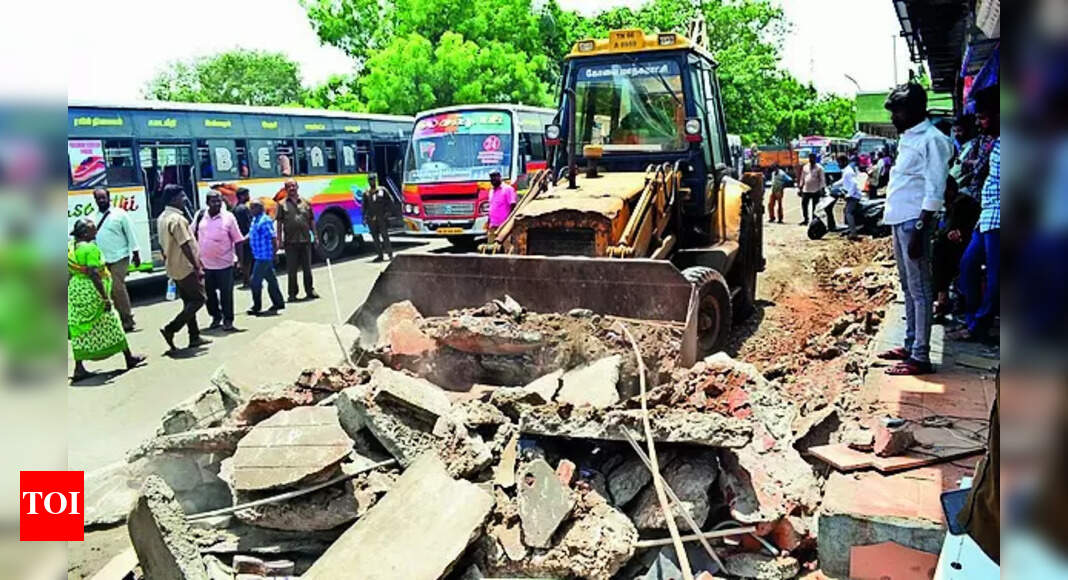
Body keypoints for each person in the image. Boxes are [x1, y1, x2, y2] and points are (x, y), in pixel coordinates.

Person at [877, 83, 954, 375]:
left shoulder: (932, 140)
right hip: (900, 220)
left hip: (915, 222)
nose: (893, 117)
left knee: (921, 289)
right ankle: (910, 344)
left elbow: (935, 187)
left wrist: (922, 229)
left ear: (915, 110)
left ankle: (921, 355)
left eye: (897, 111)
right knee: (908, 287)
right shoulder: (909, 138)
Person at [68, 218, 146, 382]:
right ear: (85, 233)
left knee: (80, 330)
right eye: (93, 228)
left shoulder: (70, 247)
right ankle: (129, 358)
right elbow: (94, 274)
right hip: (92, 292)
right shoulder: (90, 249)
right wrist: (105, 298)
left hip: (76, 291)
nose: (96, 231)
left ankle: (79, 368)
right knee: (113, 322)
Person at [951, 87, 1000, 342]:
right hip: (987, 215)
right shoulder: (996, 143)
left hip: (1001, 220)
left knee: (995, 277)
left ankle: (979, 325)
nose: (979, 124)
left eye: (983, 117)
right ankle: (973, 319)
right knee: (968, 265)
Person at [157, 184, 210, 352]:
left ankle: (194, 336)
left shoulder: (162, 217)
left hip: (173, 266)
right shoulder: (177, 220)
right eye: (182, 197)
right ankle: (171, 328)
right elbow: (185, 244)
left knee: (188, 301)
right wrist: (197, 266)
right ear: (174, 199)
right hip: (185, 266)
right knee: (199, 299)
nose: (185, 200)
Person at [91, 187, 141, 332]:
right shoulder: (92, 217)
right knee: (106, 291)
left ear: (108, 198)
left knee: (117, 288)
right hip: (102, 259)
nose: (101, 201)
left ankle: (127, 320)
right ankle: (115, 321)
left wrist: (136, 252)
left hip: (120, 256)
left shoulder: (120, 214)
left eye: (103, 198)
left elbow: (130, 233)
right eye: (98, 198)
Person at [195, 191, 245, 331]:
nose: (217, 204)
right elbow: (192, 234)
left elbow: (238, 240)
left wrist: (240, 261)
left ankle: (228, 320)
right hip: (205, 264)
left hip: (225, 264)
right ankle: (216, 317)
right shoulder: (200, 216)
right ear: (207, 203)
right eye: (213, 201)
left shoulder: (229, 217)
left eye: (219, 201)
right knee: (209, 295)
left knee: (226, 294)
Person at [932, 176, 980, 317]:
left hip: (967, 243)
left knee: (940, 250)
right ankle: (942, 297)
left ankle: (942, 298)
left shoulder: (961, 204)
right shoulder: (954, 203)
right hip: (963, 241)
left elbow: (949, 232)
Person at [275, 179, 318, 301]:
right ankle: (292, 294)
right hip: (290, 242)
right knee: (292, 269)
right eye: (289, 187)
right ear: (286, 189)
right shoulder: (281, 204)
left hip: (305, 240)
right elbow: (279, 223)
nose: (291, 188)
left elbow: (312, 221)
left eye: (293, 186)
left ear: (297, 187)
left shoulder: (306, 202)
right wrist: (279, 240)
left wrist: (316, 236)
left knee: (307, 268)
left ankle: (310, 290)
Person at [247, 199, 286, 315]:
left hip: (264, 256)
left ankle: (256, 306)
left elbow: (273, 238)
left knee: (255, 282)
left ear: (260, 208)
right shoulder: (255, 220)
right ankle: (279, 302)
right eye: (251, 207)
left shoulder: (265, 221)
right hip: (258, 254)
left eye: (253, 207)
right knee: (271, 279)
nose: (251, 210)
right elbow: (251, 234)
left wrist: (274, 254)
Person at [362, 174, 394, 262]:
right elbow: (364, 206)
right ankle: (380, 255)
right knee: (375, 238)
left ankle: (390, 254)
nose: (371, 181)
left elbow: (390, 201)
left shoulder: (382, 190)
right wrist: (364, 218)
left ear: (375, 180)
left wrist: (388, 212)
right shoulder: (366, 193)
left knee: (385, 236)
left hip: (381, 217)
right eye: (370, 180)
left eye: (373, 179)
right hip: (371, 218)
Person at [831, 154, 862, 239]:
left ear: (844, 162)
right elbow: (843, 181)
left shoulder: (848, 172)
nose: (838, 164)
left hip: (854, 196)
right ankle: (850, 229)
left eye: (839, 162)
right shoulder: (846, 171)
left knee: (848, 212)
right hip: (851, 194)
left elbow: (854, 183)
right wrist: (834, 185)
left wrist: (849, 194)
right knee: (845, 211)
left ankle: (853, 233)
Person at [487, 170, 517, 241]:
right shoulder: (491, 191)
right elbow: (491, 207)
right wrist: (488, 221)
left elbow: (513, 205)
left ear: (500, 177)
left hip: (505, 225)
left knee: (507, 247)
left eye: (495, 177)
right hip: (493, 225)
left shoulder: (508, 189)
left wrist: (509, 222)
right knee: (491, 248)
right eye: (491, 178)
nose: (493, 179)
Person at [231, 187, 253, 288]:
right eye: (247, 194)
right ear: (242, 196)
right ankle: (247, 280)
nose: (249, 196)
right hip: (245, 237)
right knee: (247, 260)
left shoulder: (234, 209)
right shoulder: (244, 208)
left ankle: (246, 279)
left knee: (243, 259)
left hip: (238, 237)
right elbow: (249, 224)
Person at [799, 153, 825, 225]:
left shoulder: (819, 168)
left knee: (815, 206)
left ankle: (814, 221)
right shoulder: (805, 167)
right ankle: (805, 219)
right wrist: (800, 187)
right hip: (806, 190)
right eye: (810, 158)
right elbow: (802, 178)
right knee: (804, 205)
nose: (811, 159)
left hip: (816, 190)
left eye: (813, 158)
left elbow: (822, 179)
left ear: (815, 158)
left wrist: (822, 188)